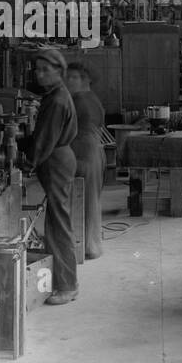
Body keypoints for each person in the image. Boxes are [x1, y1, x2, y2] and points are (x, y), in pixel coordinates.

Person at [20, 48, 79, 305]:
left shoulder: (56, 100)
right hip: (58, 159)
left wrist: (26, 162)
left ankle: (67, 286)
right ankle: (63, 281)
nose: (39, 73)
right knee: (56, 223)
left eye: (46, 69)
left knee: (58, 226)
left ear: (59, 72)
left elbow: (44, 141)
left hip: (55, 161)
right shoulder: (55, 94)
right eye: (37, 68)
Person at [65, 62, 106, 261]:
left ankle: (85, 244)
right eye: (67, 77)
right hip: (94, 151)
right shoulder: (92, 98)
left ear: (83, 80)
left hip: (82, 150)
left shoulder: (79, 100)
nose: (68, 81)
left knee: (83, 199)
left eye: (73, 78)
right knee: (90, 199)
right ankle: (90, 244)